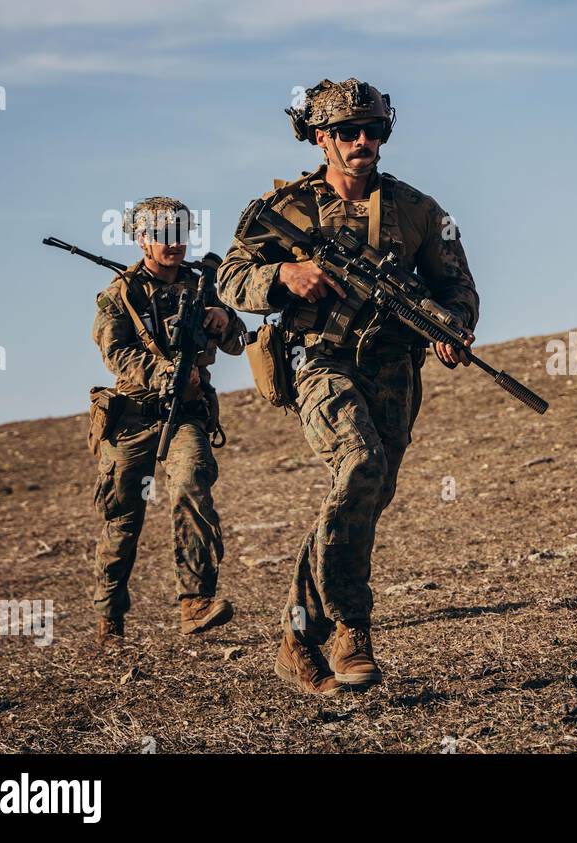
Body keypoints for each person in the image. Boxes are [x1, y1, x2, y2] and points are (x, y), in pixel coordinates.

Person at [218, 79, 480, 695]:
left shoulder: (421, 210)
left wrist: (453, 327)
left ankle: (295, 637)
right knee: (359, 465)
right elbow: (230, 278)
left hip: (394, 367)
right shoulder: (283, 210)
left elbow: (457, 287)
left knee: (363, 494)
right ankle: (349, 628)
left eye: (374, 130)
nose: (363, 142)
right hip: (318, 361)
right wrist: (286, 274)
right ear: (319, 138)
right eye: (347, 132)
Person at [91, 197, 245, 647]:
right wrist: (165, 373)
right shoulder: (119, 294)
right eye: (162, 235)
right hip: (132, 417)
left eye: (179, 234)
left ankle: (196, 601)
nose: (174, 244)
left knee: (193, 484)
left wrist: (224, 319)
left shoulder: (204, 286)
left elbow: (238, 343)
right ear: (142, 240)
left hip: (186, 413)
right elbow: (115, 354)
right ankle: (110, 618)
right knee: (122, 517)